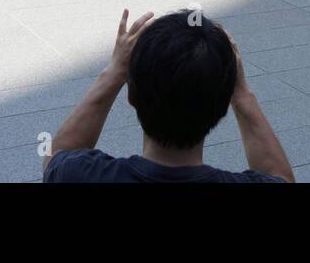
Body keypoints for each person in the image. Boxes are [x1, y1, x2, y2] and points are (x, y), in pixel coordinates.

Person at [43, 10, 293, 183]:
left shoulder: (78, 175)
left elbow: (57, 155)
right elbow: (280, 177)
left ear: (131, 94)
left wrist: (115, 72)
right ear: (224, 104)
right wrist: (243, 97)